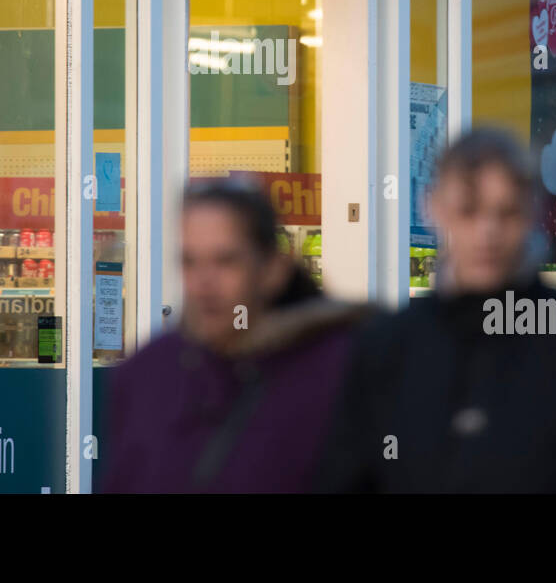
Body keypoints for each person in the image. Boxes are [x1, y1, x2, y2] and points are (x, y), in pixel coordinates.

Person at [315, 127, 556, 492]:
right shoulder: (388, 346)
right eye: (469, 211)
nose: (488, 231)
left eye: (506, 212)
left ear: (532, 212)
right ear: (434, 209)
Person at [98, 178, 372, 492]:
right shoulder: (146, 374)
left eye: (225, 261)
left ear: (273, 270)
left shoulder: (340, 371)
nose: (204, 283)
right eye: (190, 262)